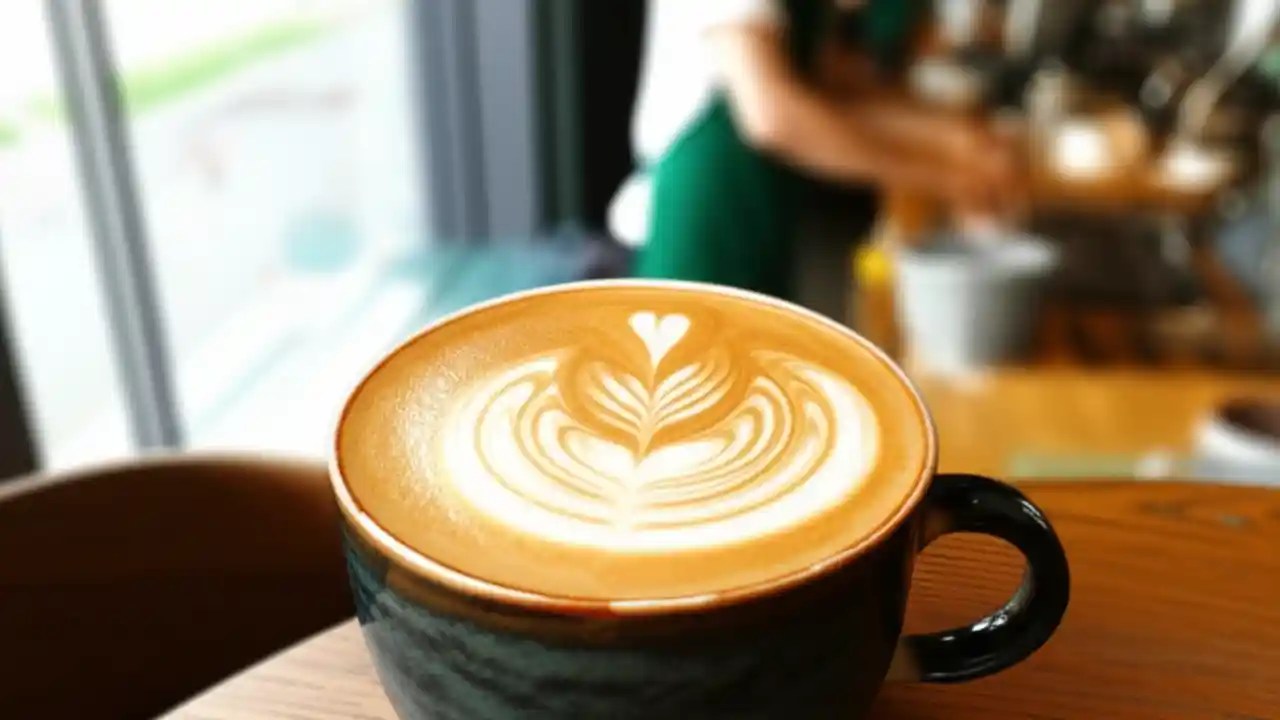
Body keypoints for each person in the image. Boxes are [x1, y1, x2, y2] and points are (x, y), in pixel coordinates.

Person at [610, 0, 1021, 301]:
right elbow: (772, 115)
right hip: (699, 224)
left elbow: (829, 86)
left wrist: (955, 137)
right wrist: (942, 177)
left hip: (760, 214)